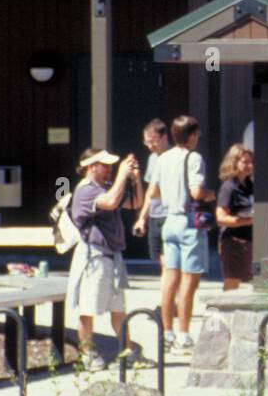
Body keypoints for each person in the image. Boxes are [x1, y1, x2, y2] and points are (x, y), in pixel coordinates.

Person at [67, 147, 143, 371]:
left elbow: (135, 203)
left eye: (111, 165)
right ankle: (87, 353)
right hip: (94, 257)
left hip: (112, 256)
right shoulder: (85, 190)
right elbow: (109, 202)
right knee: (88, 308)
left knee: (118, 309)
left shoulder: (107, 187)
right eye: (105, 165)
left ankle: (128, 352)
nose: (109, 169)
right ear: (92, 167)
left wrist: (135, 179)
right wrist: (122, 175)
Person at [145, 115, 215, 355]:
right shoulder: (194, 158)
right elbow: (196, 192)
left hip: (169, 221)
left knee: (169, 279)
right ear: (192, 135)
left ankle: (167, 333)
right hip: (188, 222)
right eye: (197, 134)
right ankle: (184, 336)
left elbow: (154, 192)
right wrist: (209, 194)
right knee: (189, 281)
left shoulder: (163, 158)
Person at [132, 119, 172, 347]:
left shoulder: (174, 157)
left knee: (168, 265)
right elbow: (150, 190)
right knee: (162, 263)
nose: (149, 146)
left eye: (153, 142)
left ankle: (166, 305)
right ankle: (168, 303)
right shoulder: (153, 159)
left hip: (169, 215)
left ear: (164, 137)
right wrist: (142, 217)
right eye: (146, 142)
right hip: (155, 215)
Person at [215, 144, 254, 292]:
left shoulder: (250, 185)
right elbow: (221, 218)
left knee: (251, 282)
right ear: (234, 162)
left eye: (251, 162)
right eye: (245, 162)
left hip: (249, 241)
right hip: (233, 243)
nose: (250, 165)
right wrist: (249, 220)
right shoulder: (229, 187)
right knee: (232, 284)